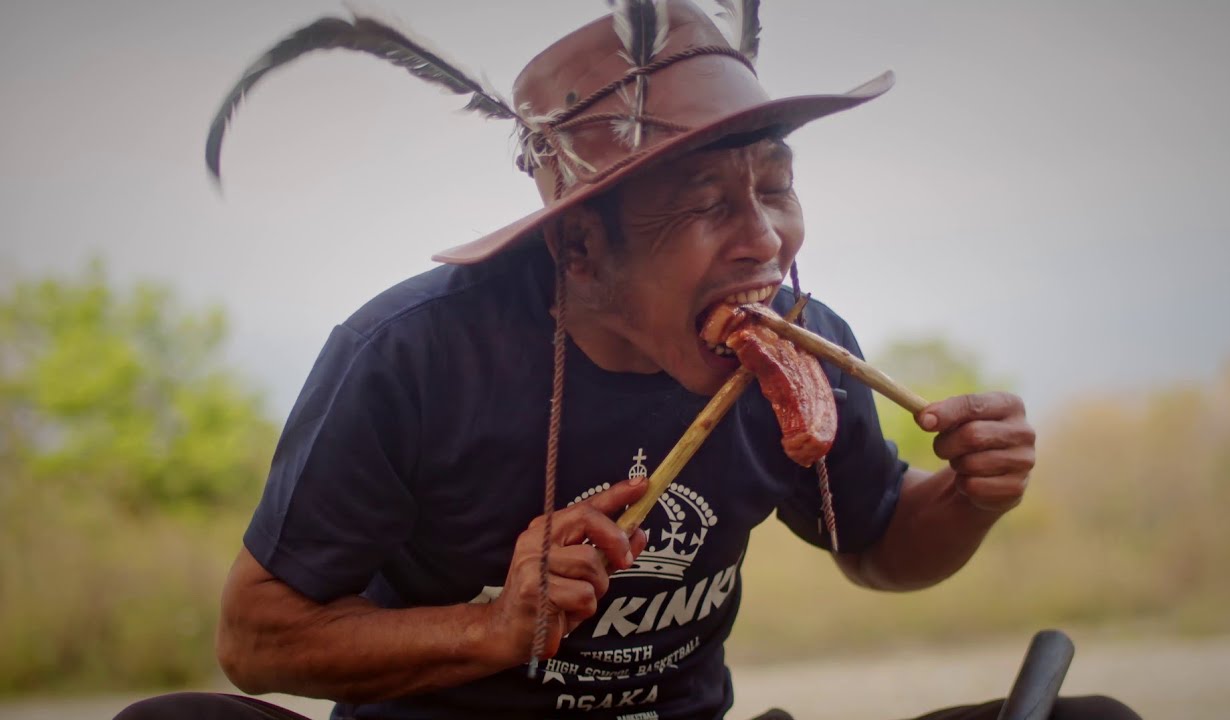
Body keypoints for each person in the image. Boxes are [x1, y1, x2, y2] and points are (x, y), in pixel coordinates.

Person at [120, 2, 1139, 719]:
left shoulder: (802, 335)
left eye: (773, 188)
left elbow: (874, 545)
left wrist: (967, 496)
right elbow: (255, 641)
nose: (764, 240)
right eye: (705, 204)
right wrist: (490, 632)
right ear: (578, 246)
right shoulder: (410, 356)